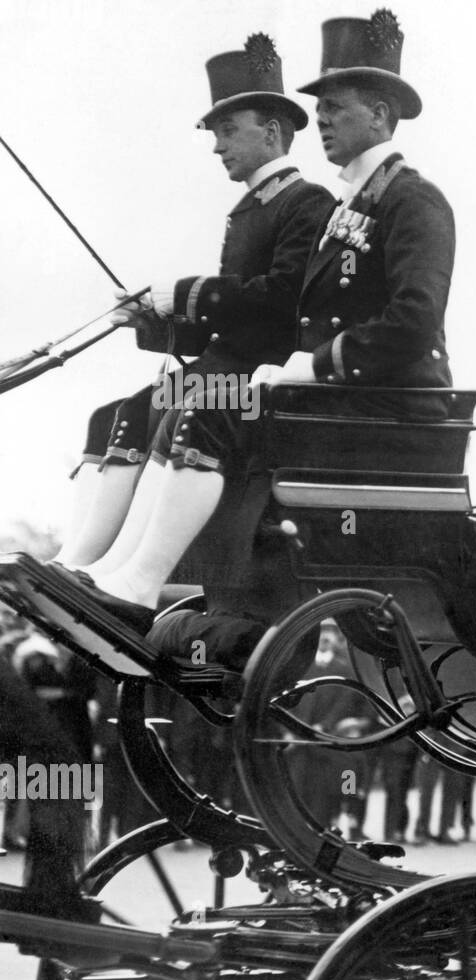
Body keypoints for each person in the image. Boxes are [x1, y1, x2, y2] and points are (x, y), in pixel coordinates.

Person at [52, 9, 454, 640]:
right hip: (340, 394)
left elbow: (415, 320)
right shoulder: (351, 204)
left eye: (335, 106)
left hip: (390, 405)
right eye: (317, 107)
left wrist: (314, 363)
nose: (319, 118)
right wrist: (165, 327)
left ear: (380, 114)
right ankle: (115, 573)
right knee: (190, 402)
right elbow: (295, 315)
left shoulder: (412, 198)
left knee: (205, 408)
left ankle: (135, 581)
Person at [54, 33, 333, 577]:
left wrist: (185, 293)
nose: (217, 145)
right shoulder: (249, 209)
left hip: (257, 387)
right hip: (222, 371)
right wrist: (155, 323)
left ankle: (117, 571)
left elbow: (278, 303)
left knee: (170, 411)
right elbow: (225, 325)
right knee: (118, 415)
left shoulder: (307, 202)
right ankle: (78, 563)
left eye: (229, 130)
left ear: (272, 132)